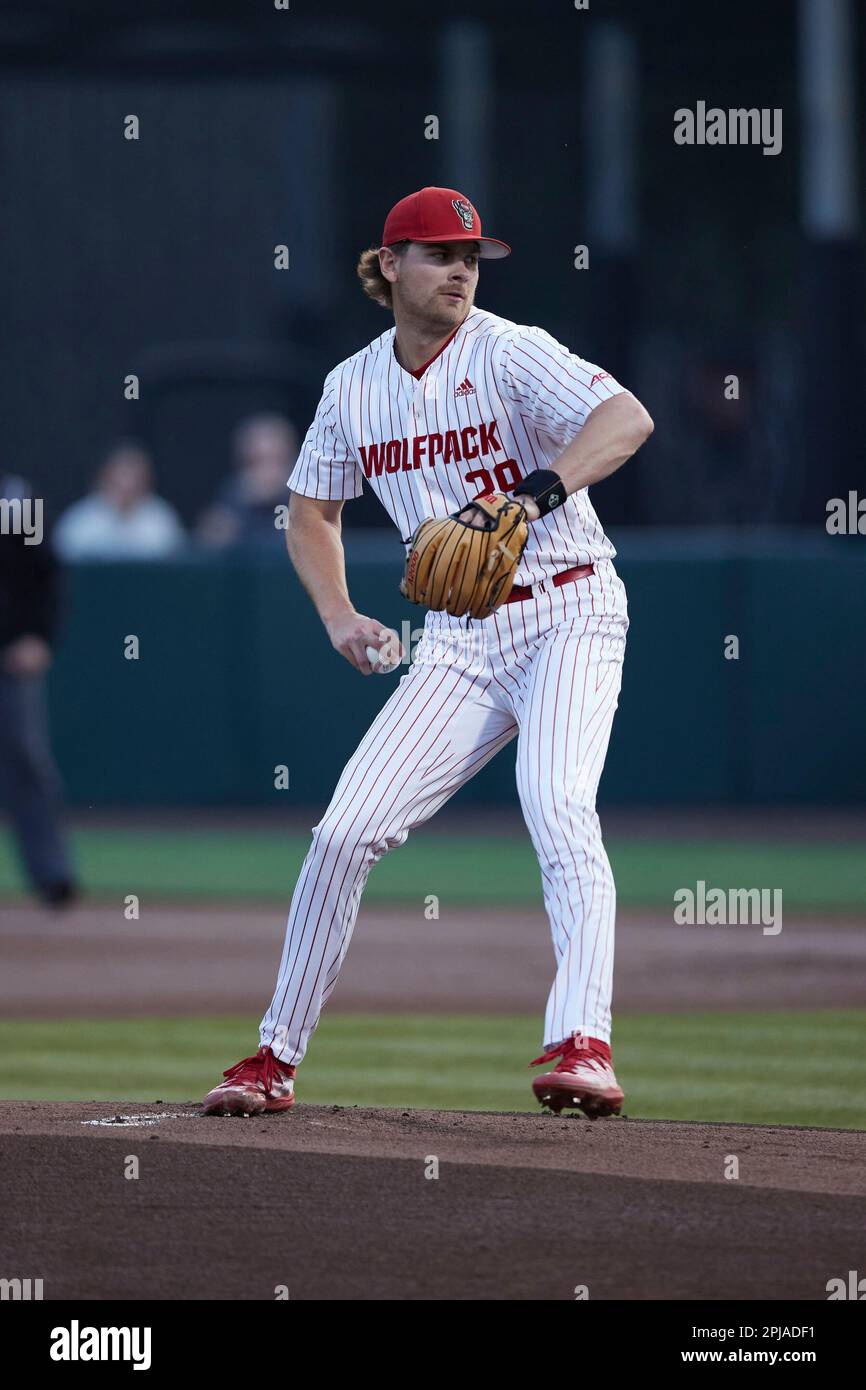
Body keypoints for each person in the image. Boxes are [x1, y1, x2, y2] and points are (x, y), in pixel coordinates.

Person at [202, 186, 653, 1120]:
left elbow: (627, 421)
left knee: (558, 805)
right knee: (342, 832)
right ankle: (272, 1058)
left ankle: (584, 1042)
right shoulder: (352, 386)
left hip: (571, 608)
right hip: (460, 637)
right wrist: (338, 614)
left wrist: (531, 496)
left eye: (472, 257)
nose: (460, 270)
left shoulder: (512, 351)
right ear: (389, 265)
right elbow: (312, 509)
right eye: (441, 253)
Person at [0, 473, 79, 906]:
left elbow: (46, 573)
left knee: (27, 759)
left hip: (9, 654)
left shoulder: (14, 498)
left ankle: (51, 874)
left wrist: (39, 636)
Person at [53, 441, 185, 561]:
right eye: (120, 478)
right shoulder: (81, 519)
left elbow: (174, 560)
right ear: (104, 478)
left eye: (135, 479)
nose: (127, 486)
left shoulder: (161, 518)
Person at [196, 414, 300, 551]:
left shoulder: (310, 498)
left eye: (276, 461)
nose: (267, 472)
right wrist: (241, 506)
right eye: (256, 462)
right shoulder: (234, 494)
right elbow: (206, 545)